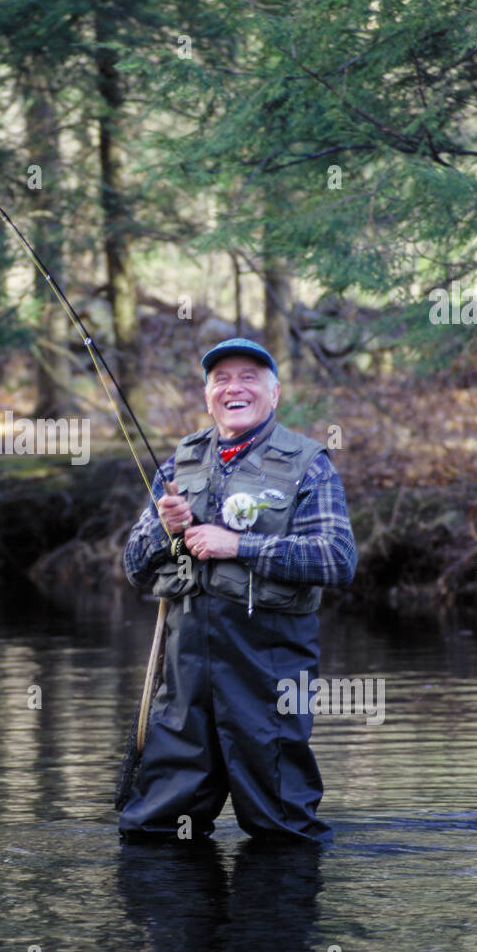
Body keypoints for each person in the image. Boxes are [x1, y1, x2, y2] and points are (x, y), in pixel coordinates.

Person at [117, 337, 357, 847]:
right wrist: (163, 527)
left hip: (269, 671)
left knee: (283, 830)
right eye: (221, 379)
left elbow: (337, 558)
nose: (234, 388)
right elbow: (134, 569)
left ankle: (271, 926)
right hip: (183, 684)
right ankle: (177, 923)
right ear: (207, 396)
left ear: (274, 393)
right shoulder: (177, 466)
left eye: (249, 377)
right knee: (154, 832)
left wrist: (240, 547)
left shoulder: (307, 463)